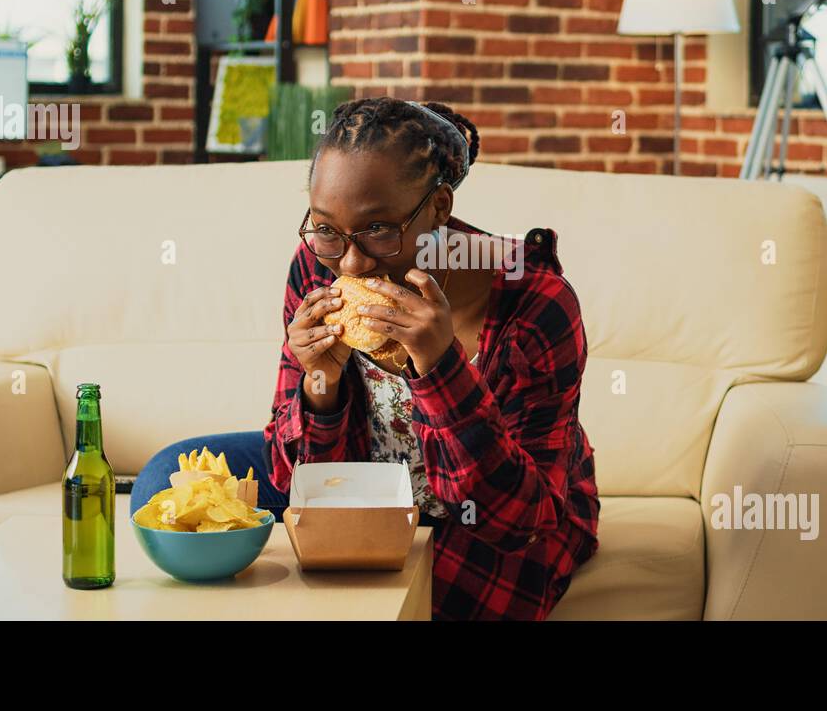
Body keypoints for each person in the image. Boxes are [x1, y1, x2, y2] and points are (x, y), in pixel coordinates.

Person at [133, 97, 598, 620]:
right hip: (364, 475)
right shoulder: (315, 267)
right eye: (327, 228)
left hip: (484, 515)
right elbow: (296, 478)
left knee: (420, 598)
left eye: (380, 228)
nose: (350, 261)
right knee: (163, 486)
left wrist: (443, 370)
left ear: (440, 208)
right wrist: (320, 387)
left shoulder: (535, 304)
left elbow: (518, 518)